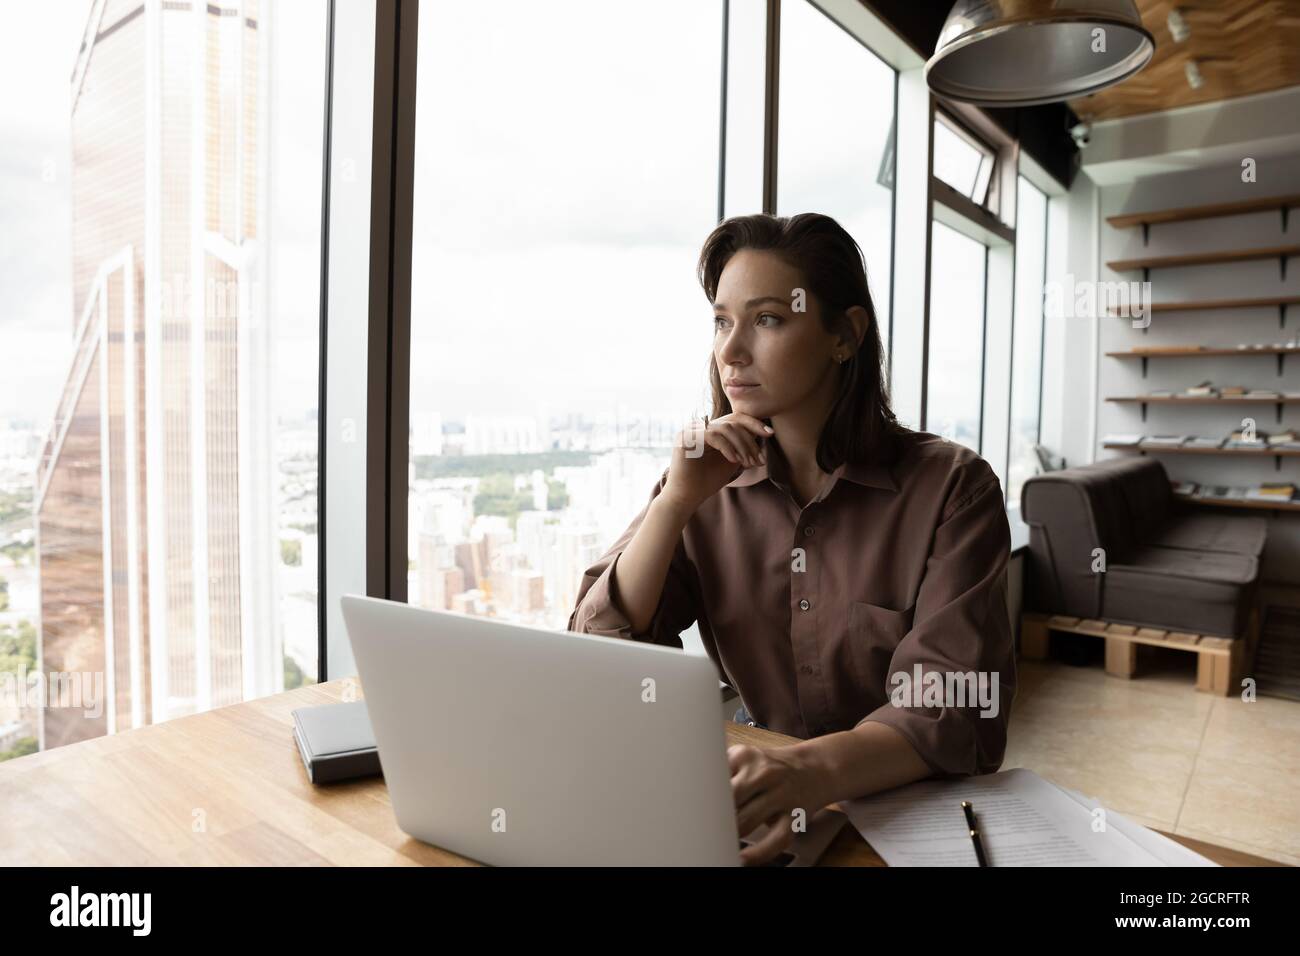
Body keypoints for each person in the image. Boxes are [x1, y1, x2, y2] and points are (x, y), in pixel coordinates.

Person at [568, 212, 1016, 865]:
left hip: (905, 805)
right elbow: (602, 645)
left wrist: (807, 777)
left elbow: (948, 707)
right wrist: (676, 503)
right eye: (722, 321)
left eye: (768, 319)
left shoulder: (954, 488)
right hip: (760, 796)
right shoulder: (702, 483)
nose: (731, 350)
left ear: (845, 335)